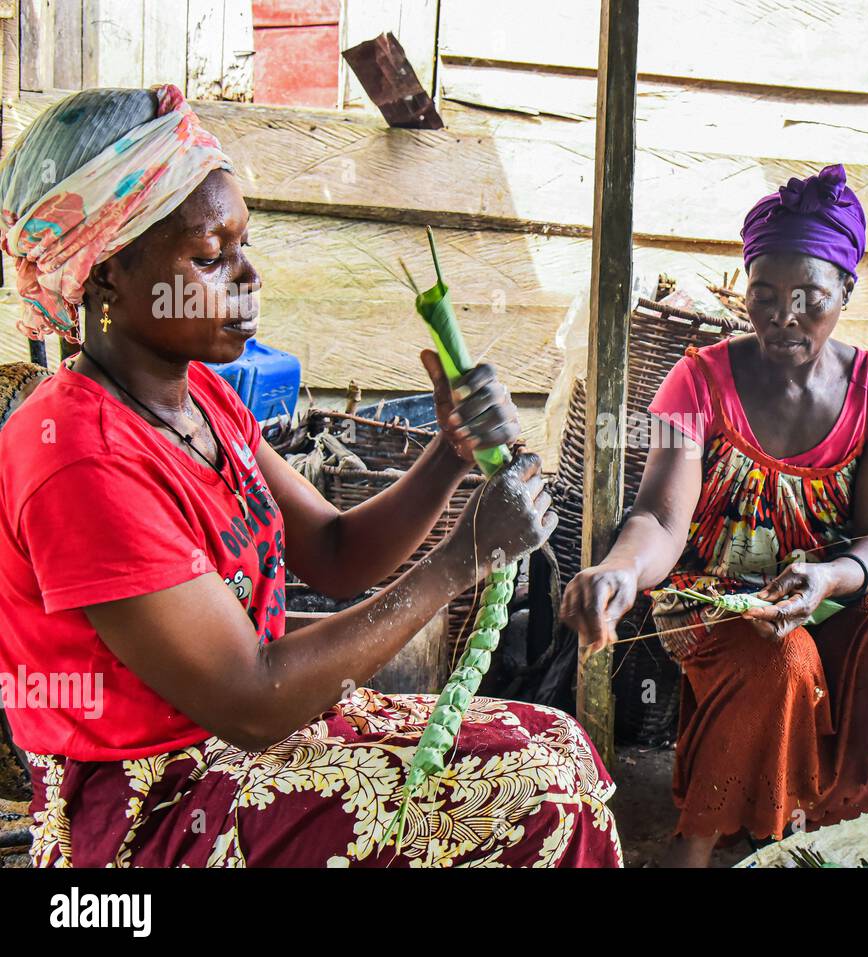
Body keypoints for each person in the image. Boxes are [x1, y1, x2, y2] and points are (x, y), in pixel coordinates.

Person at [0, 87, 622, 867]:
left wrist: (449, 451)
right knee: (538, 797)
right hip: (147, 811)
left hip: (242, 749)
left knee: (558, 744)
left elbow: (332, 552)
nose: (248, 274)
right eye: (208, 256)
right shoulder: (76, 457)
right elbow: (253, 700)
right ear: (104, 281)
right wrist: (466, 558)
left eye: (243, 243)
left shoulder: (200, 398)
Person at [561, 165, 868, 867]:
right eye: (763, 296)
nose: (782, 317)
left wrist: (829, 577)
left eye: (808, 298)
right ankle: (697, 843)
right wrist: (620, 571)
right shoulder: (698, 380)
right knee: (779, 654)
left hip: (826, 587)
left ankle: (841, 826)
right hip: (712, 594)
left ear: (846, 292)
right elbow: (659, 516)